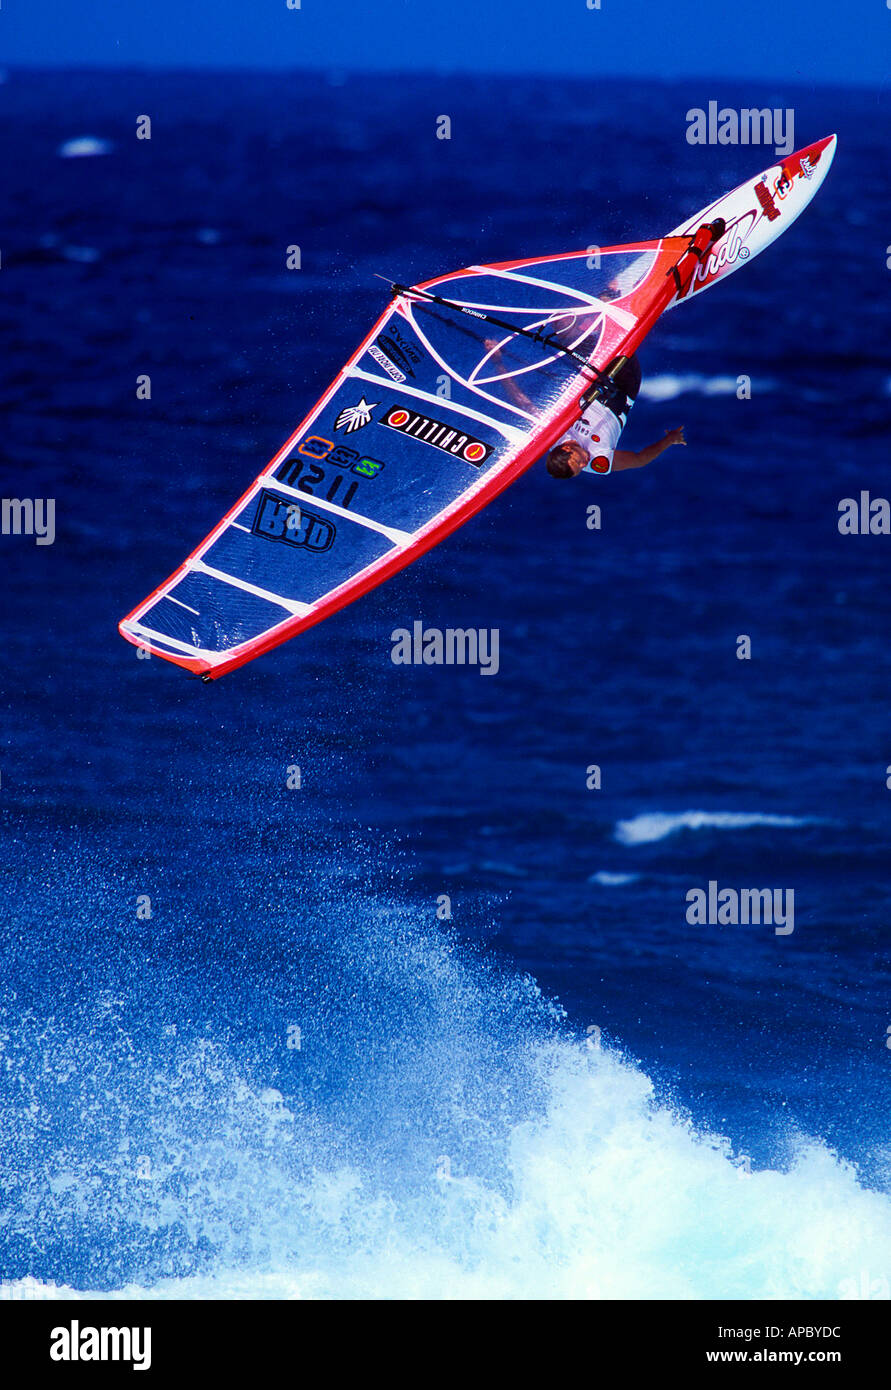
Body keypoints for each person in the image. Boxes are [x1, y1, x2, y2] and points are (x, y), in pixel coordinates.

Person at [545, 353, 686, 477]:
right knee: (622, 346)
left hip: (590, 383)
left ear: (566, 449)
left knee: (573, 334)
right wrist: (670, 440)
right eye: (580, 469)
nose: (584, 465)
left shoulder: (552, 438)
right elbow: (639, 459)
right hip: (622, 389)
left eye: (578, 462)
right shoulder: (599, 462)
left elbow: (529, 406)